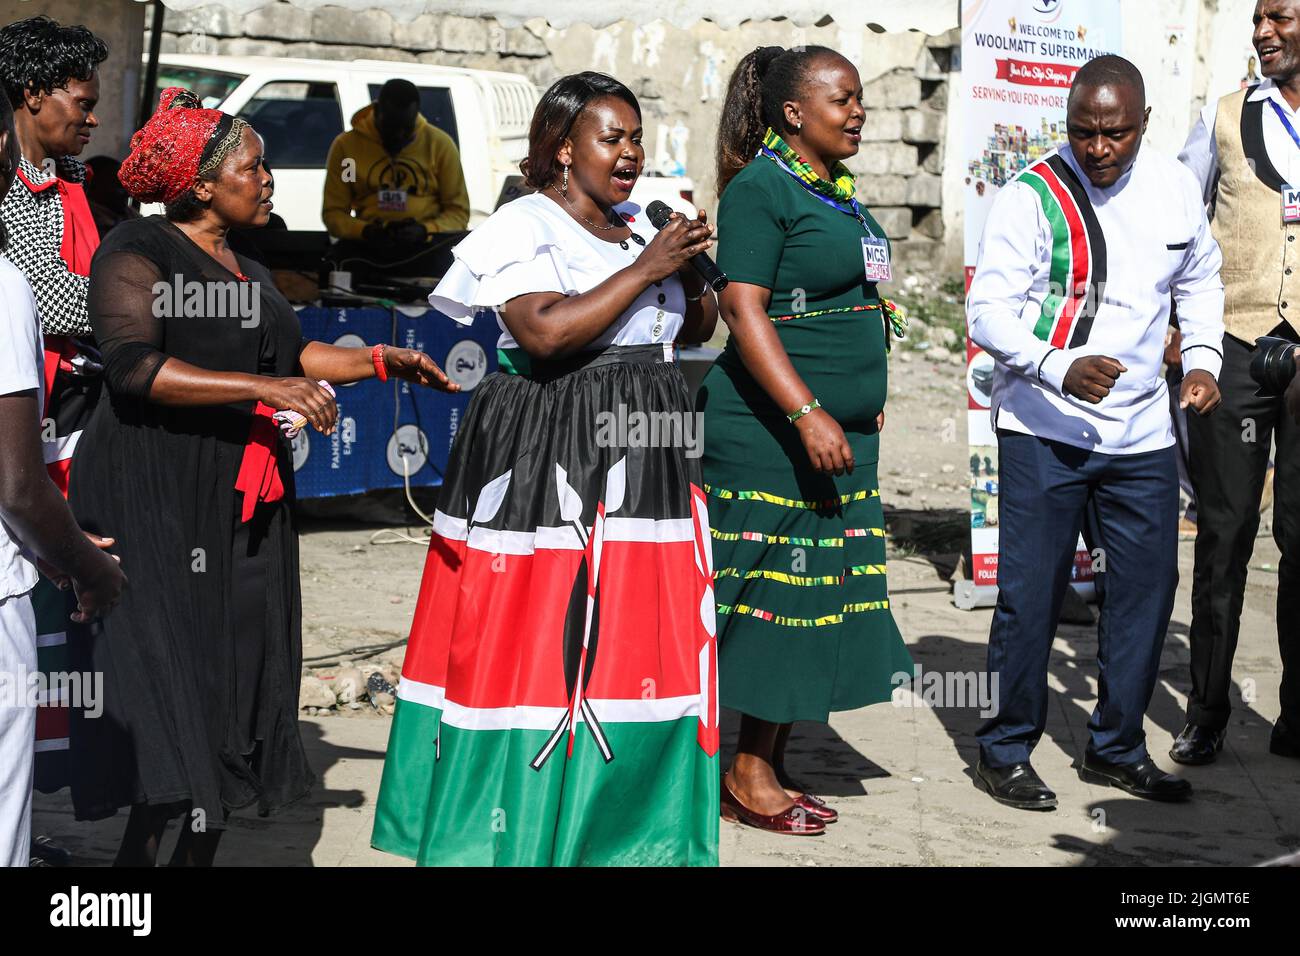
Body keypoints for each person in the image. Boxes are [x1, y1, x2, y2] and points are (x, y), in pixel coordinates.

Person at [67, 87, 458, 867]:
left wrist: (380, 361)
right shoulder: (137, 252)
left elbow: (288, 358)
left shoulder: (245, 264)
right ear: (203, 184)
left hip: (239, 496)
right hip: (157, 487)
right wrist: (262, 391)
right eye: (255, 165)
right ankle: (138, 862)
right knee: (170, 665)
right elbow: (135, 368)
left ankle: (200, 844)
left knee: (237, 670)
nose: (270, 177)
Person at [371, 72, 721, 866]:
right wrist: (646, 267)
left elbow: (694, 327)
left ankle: (622, 831)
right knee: (544, 640)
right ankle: (514, 831)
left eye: (636, 137)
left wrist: (690, 264)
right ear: (565, 149)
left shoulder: (639, 226)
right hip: (557, 455)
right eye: (612, 138)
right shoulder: (523, 224)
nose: (630, 153)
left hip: (649, 455)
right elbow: (546, 335)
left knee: (634, 641)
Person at [968, 56, 1226, 809]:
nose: (1099, 147)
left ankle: (1115, 748)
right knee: (1031, 595)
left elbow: (1200, 279)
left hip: (1142, 433)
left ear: (1143, 124)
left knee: (1146, 592)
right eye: (1083, 132)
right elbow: (986, 311)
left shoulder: (1176, 187)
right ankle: (1005, 749)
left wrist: (1203, 361)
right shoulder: (1032, 197)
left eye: (1115, 133)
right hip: (1044, 427)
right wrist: (1055, 366)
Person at [697, 45, 913, 834]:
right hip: (771, 436)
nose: (858, 112)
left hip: (842, 435)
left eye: (858, 100)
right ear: (795, 113)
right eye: (842, 100)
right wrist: (807, 412)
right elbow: (743, 310)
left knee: (815, 598)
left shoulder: (839, 193)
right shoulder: (762, 189)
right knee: (770, 601)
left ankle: (765, 760)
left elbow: (855, 299)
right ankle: (744, 774)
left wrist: (862, 400)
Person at [0, 90, 125, 868]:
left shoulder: (76, 183)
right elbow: (15, 484)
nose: (91, 118)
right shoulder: (6, 280)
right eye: (79, 100)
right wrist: (85, 563)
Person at [1173, 0, 1300, 765]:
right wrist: (1176, 333)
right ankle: (1207, 711)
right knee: (1223, 535)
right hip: (1238, 343)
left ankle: (1297, 716)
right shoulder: (1224, 115)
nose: (1263, 31)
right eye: (1256, 18)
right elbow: (1179, 222)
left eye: (1279, 15)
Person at [322, 78, 469, 277]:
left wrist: (425, 230)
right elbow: (335, 213)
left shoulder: (440, 145)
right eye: (391, 127)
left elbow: (458, 213)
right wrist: (366, 231)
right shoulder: (348, 150)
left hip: (425, 247)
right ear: (377, 112)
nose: (399, 135)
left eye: (407, 128)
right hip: (368, 247)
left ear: (416, 116)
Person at [84, 156, 138, 237]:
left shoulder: (131, 215)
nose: (127, 194)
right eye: (118, 185)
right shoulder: (85, 221)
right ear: (95, 185)